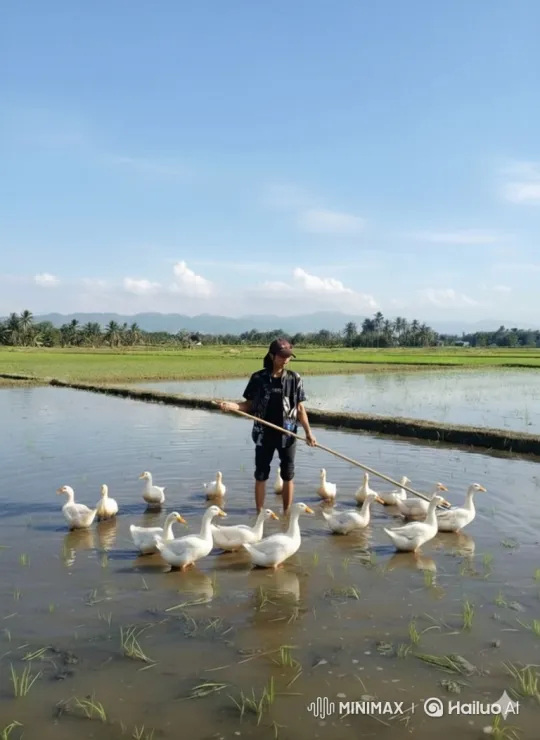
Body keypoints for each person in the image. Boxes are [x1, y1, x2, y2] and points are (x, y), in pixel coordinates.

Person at [218, 338, 316, 514]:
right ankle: (259, 513)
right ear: (272, 355)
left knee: (288, 475)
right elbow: (248, 405)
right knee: (261, 475)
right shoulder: (258, 378)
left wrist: (309, 432)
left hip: (288, 434)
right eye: (282, 356)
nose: (286, 359)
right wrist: (232, 406)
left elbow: (300, 408)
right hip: (263, 434)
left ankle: (286, 513)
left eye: (288, 356)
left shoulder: (295, 378)